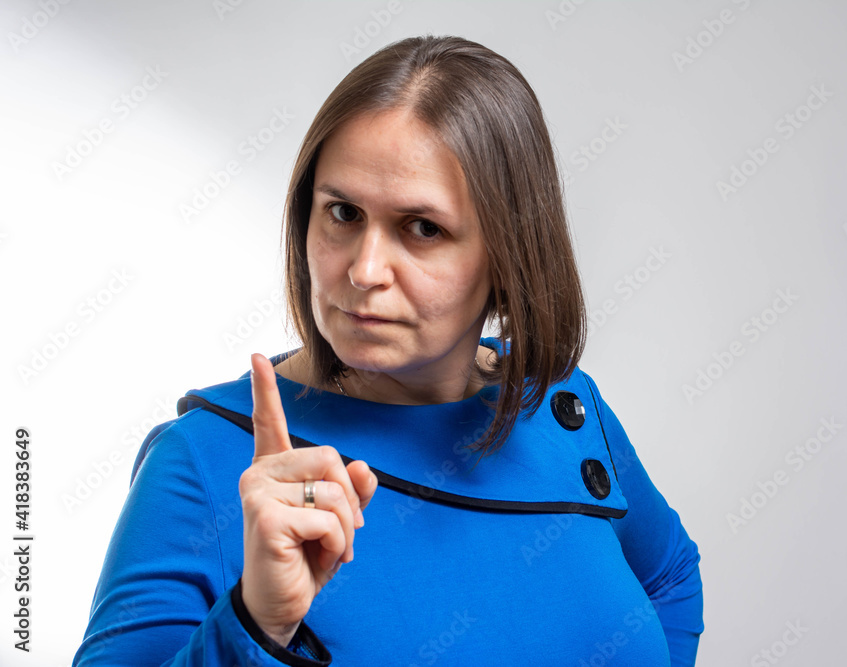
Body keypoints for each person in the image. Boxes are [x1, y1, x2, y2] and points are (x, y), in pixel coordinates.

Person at [73, 35, 704, 666]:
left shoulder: (565, 408)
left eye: (423, 228)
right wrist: (256, 621)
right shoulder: (205, 462)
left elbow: (671, 576)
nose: (365, 269)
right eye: (343, 213)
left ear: (509, 255)